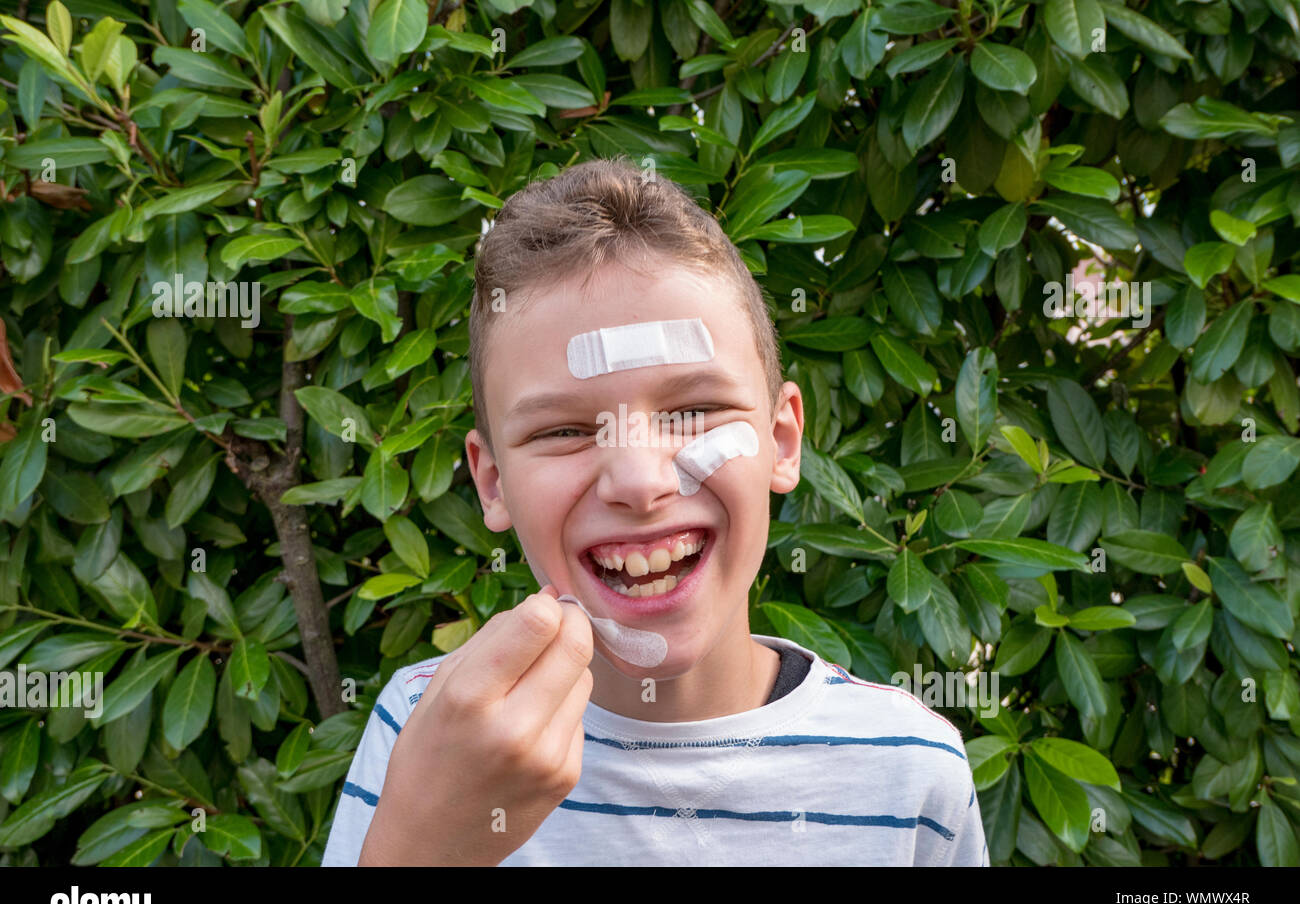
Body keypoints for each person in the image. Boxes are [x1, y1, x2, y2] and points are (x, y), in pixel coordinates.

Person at [322, 157, 988, 866]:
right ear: (492, 483)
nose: (639, 482)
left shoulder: (911, 769)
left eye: (694, 410)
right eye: (565, 431)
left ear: (781, 441)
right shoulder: (432, 723)